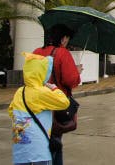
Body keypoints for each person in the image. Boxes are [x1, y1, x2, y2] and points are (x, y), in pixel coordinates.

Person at [8, 52, 70, 165]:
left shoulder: (20, 91)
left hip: (20, 151)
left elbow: (11, 111)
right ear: (42, 73)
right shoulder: (41, 92)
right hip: (39, 151)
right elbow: (64, 102)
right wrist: (55, 88)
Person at [34, 24, 82, 165]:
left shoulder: (36, 51)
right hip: (55, 104)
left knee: (42, 139)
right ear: (62, 38)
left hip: (36, 102)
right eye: (67, 38)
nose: (67, 41)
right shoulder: (62, 53)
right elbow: (70, 80)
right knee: (55, 142)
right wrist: (77, 72)